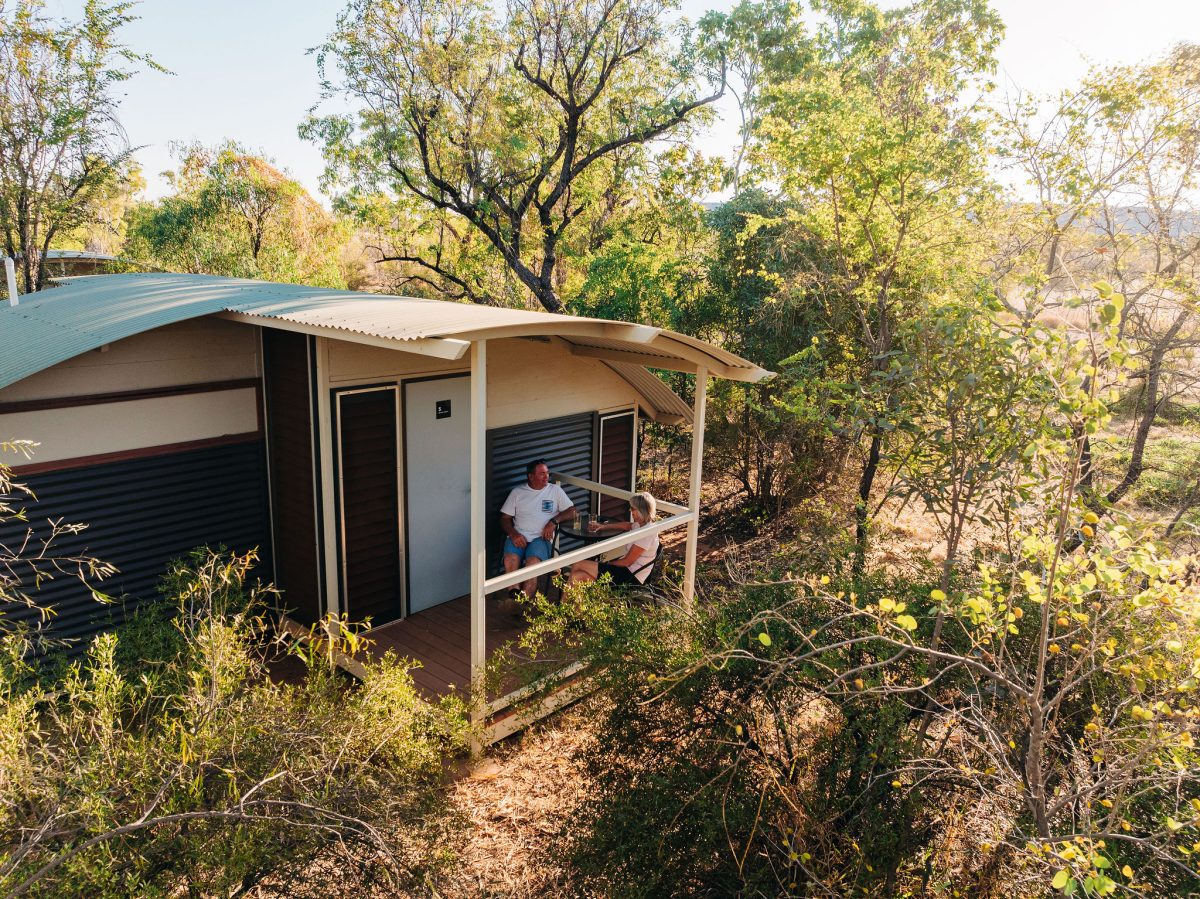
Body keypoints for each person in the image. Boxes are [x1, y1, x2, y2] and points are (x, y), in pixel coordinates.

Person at [500, 459, 575, 599]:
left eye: (547, 473)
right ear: (531, 476)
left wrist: (553, 522)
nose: (546, 476)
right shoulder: (517, 492)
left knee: (532, 564)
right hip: (518, 535)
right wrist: (513, 534)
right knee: (510, 560)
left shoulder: (555, 490)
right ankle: (514, 595)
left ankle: (525, 600)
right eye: (542, 474)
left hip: (541, 539)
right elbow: (505, 518)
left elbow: (572, 511)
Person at [569, 492, 659, 588]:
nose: (630, 510)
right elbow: (627, 525)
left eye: (632, 508)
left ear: (642, 511)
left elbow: (627, 562)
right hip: (625, 569)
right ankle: (567, 603)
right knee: (577, 576)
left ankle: (567, 601)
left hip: (630, 576)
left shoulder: (647, 533)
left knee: (578, 564)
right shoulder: (640, 524)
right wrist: (603, 526)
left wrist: (607, 564)